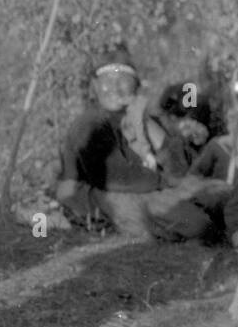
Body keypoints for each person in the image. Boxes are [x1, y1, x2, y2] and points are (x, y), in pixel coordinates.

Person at [56, 47, 228, 240]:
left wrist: (145, 122)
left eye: (123, 80)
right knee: (196, 224)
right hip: (108, 196)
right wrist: (169, 185)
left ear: (136, 86)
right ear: (95, 87)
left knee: (222, 193)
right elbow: (115, 179)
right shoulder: (90, 124)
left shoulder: (140, 117)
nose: (115, 87)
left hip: (150, 190)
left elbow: (178, 169)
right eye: (107, 81)